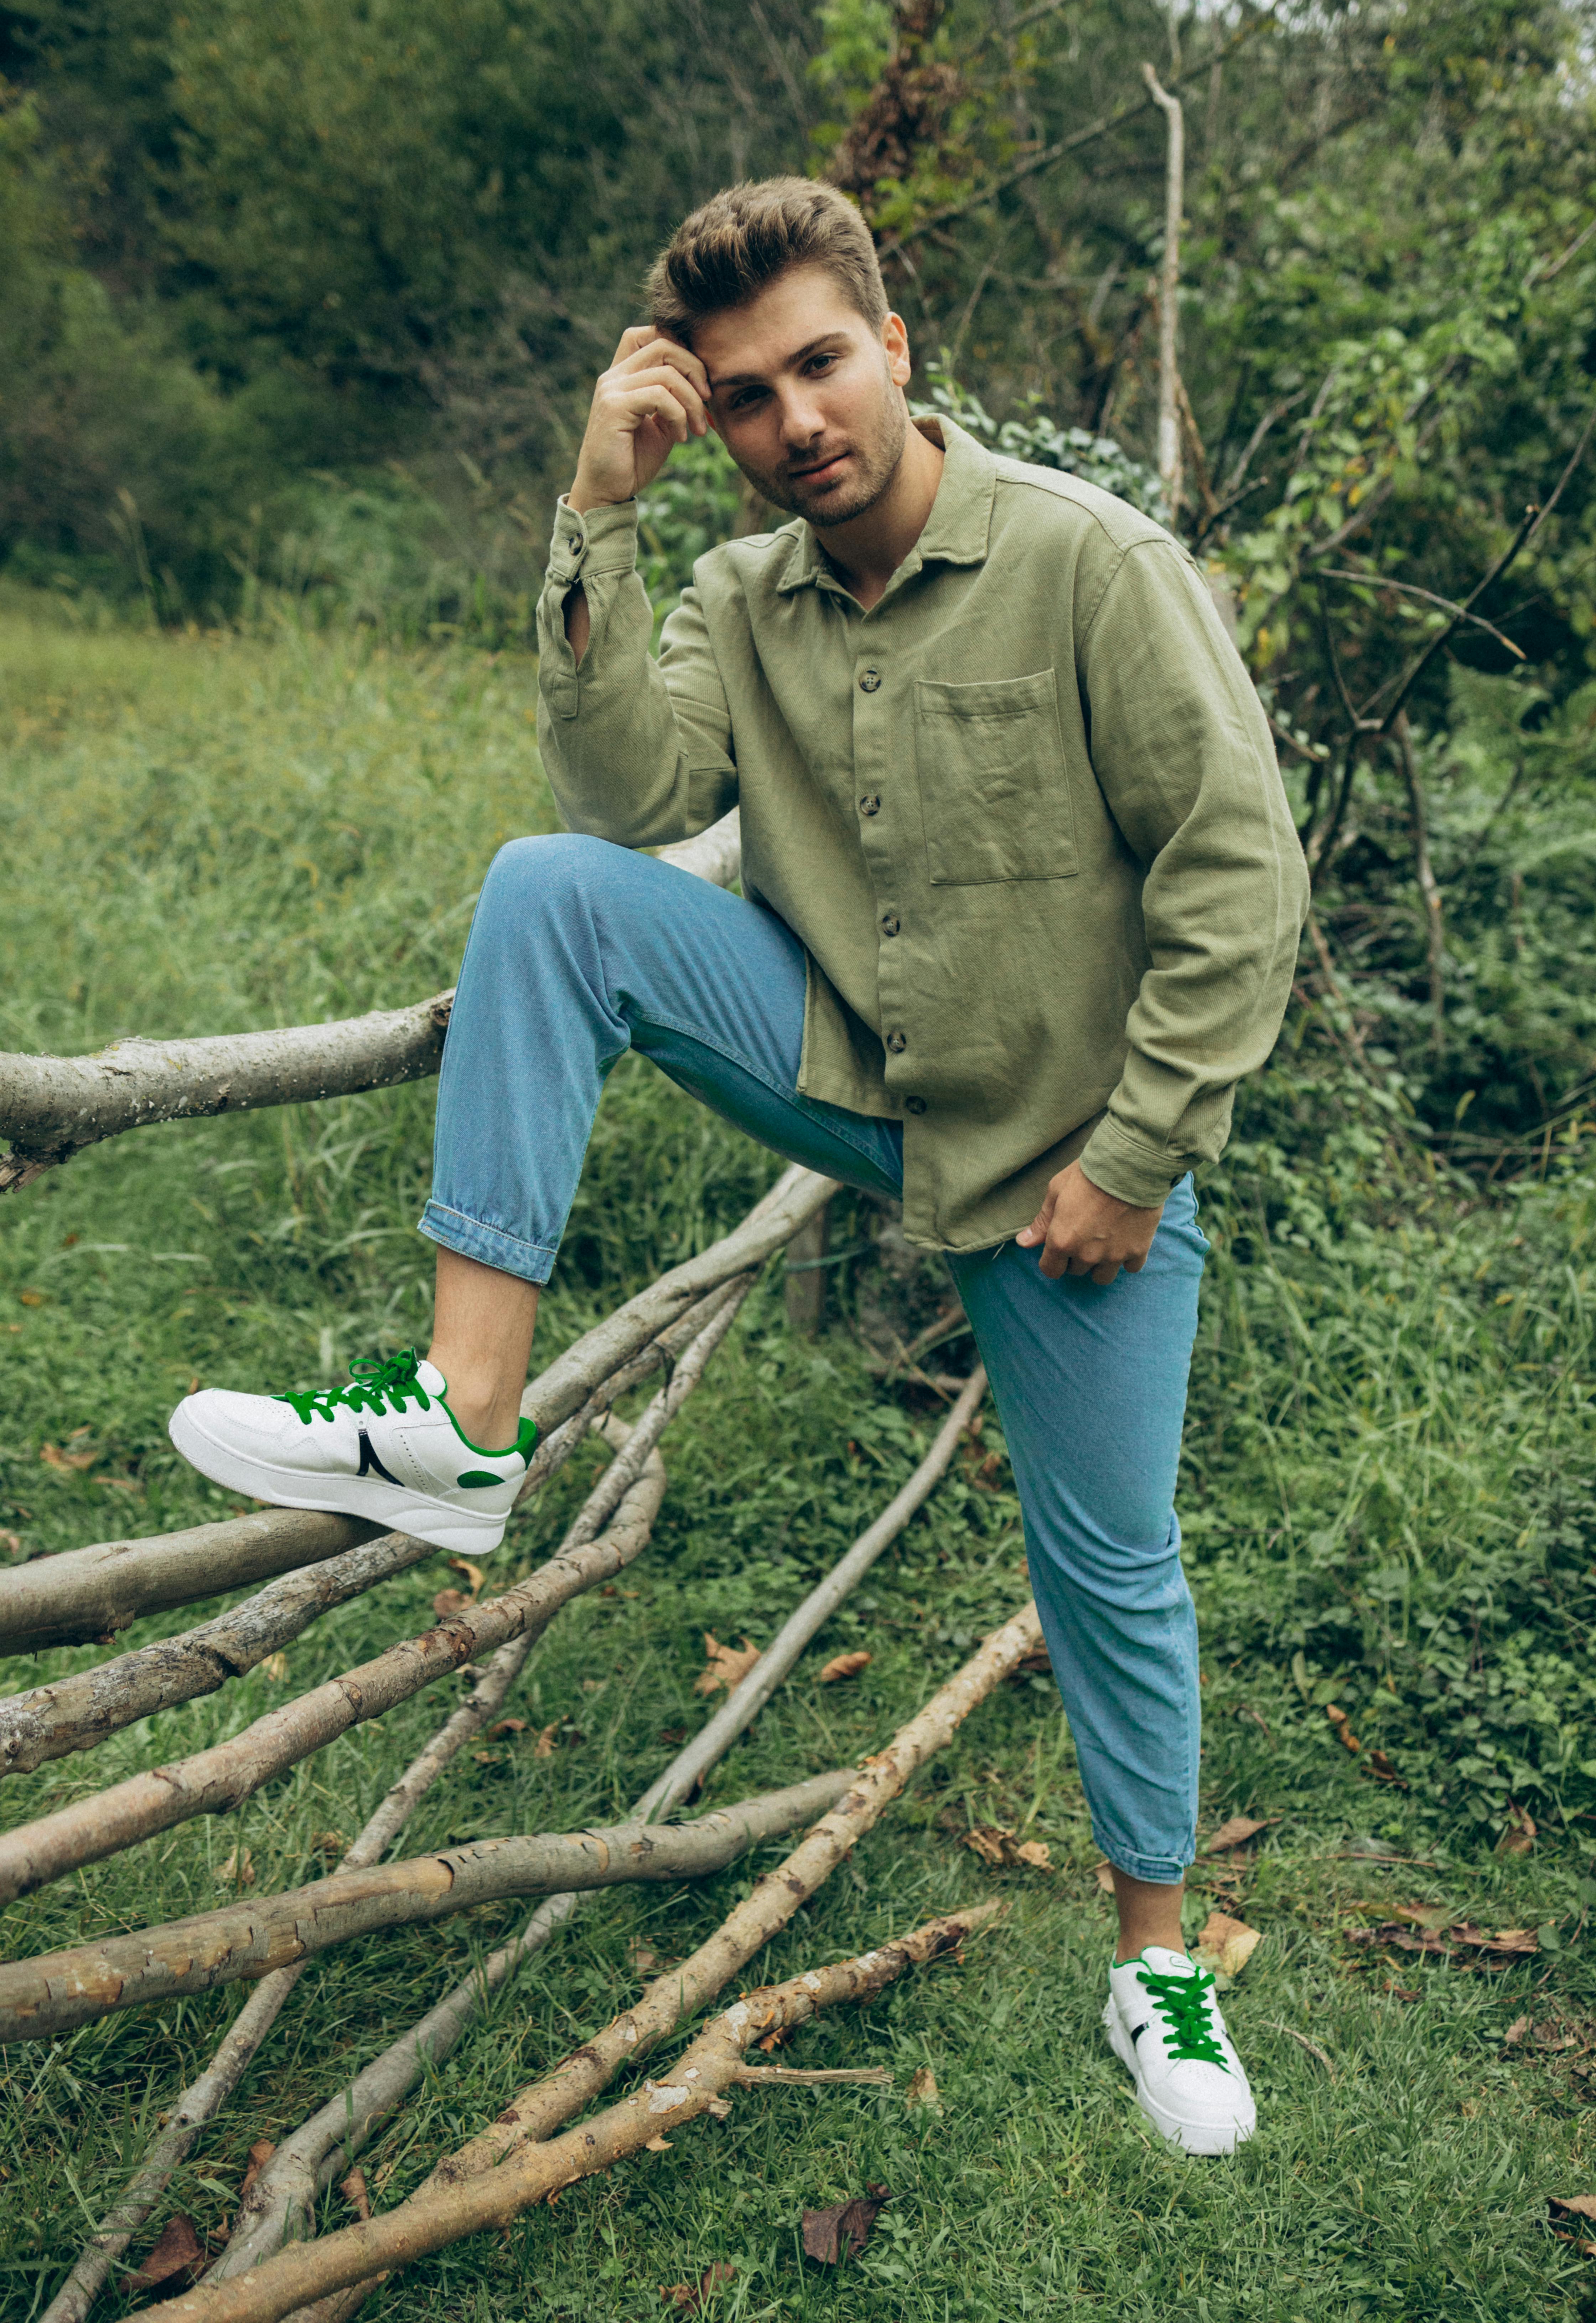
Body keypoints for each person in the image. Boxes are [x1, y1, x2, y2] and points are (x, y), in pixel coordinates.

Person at [170, 176, 1308, 2157]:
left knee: (1112, 1563)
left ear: (895, 345)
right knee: (549, 892)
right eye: (749, 398)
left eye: (822, 366)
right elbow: (623, 795)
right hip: (846, 1066)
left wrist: (1137, 1158)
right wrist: (596, 509)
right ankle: (462, 1418)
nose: (797, 422)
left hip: (1073, 1157)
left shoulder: (1088, 563)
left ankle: (1158, 1968)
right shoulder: (733, 595)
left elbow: (1239, 879)